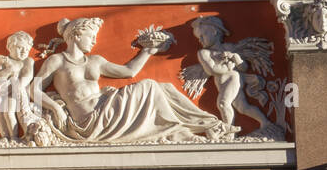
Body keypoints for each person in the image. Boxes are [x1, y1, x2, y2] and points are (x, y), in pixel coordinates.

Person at [30, 17, 236, 143]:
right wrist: (56, 108)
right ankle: (181, 127)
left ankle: (204, 124)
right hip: (87, 120)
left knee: (163, 87)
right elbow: (34, 90)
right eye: (90, 35)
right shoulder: (57, 61)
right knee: (149, 86)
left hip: (107, 109)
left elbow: (128, 71)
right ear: (75, 35)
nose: (94, 40)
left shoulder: (95, 61)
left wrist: (147, 51)